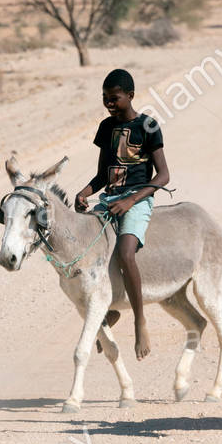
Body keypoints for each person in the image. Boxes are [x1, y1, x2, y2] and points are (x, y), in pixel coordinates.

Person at [75, 68, 170, 361]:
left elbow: (164, 176)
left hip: (138, 200)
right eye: (105, 98)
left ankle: (139, 320)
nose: (109, 103)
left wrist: (130, 202)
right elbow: (103, 174)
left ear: (130, 96)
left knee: (126, 253)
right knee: (90, 249)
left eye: (114, 98)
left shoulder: (149, 126)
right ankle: (110, 309)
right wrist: (84, 193)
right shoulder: (106, 128)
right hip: (109, 199)